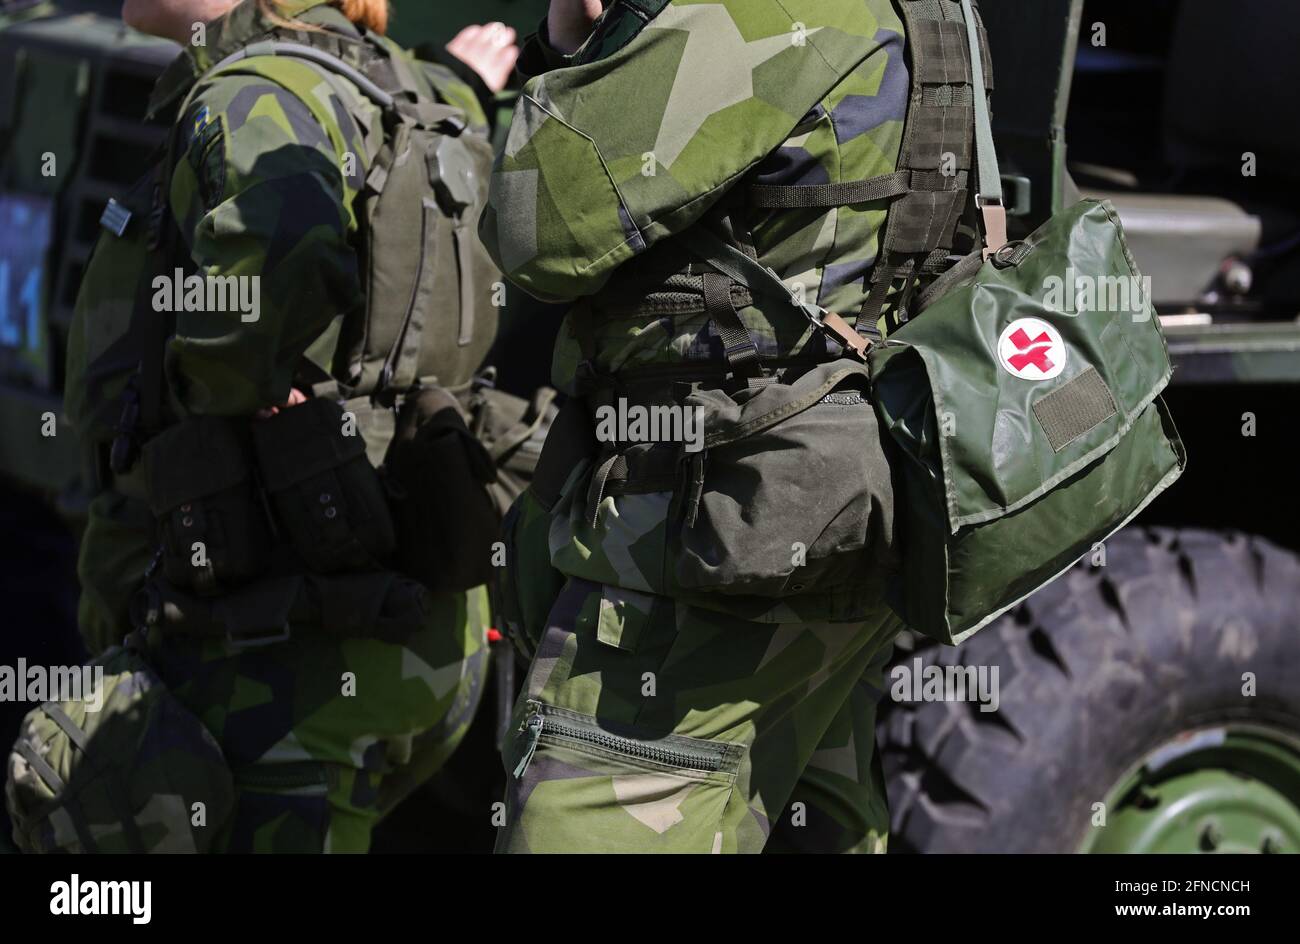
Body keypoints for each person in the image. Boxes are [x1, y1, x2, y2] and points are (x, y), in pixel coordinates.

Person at [481, 0, 994, 852]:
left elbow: (537, 227)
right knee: (815, 817)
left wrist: (577, 46)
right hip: (846, 499)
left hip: (701, 537)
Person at [59, 0, 516, 852]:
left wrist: (215, 384)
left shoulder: (251, 91)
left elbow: (284, 240)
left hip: (278, 648)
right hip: (408, 624)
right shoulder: (394, 78)